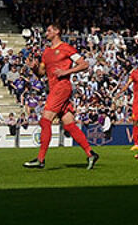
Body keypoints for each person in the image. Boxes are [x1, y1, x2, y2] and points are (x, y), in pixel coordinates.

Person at [23, 23, 100, 170]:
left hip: (61, 88)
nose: (47, 33)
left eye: (49, 30)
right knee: (69, 124)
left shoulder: (65, 48)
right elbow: (41, 73)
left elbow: (84, 64)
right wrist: (33, 68)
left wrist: (66, 72)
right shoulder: (46, 52)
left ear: (57, 31)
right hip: (54, 89)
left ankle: (40, 159)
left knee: (45, 121)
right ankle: (90, 153)